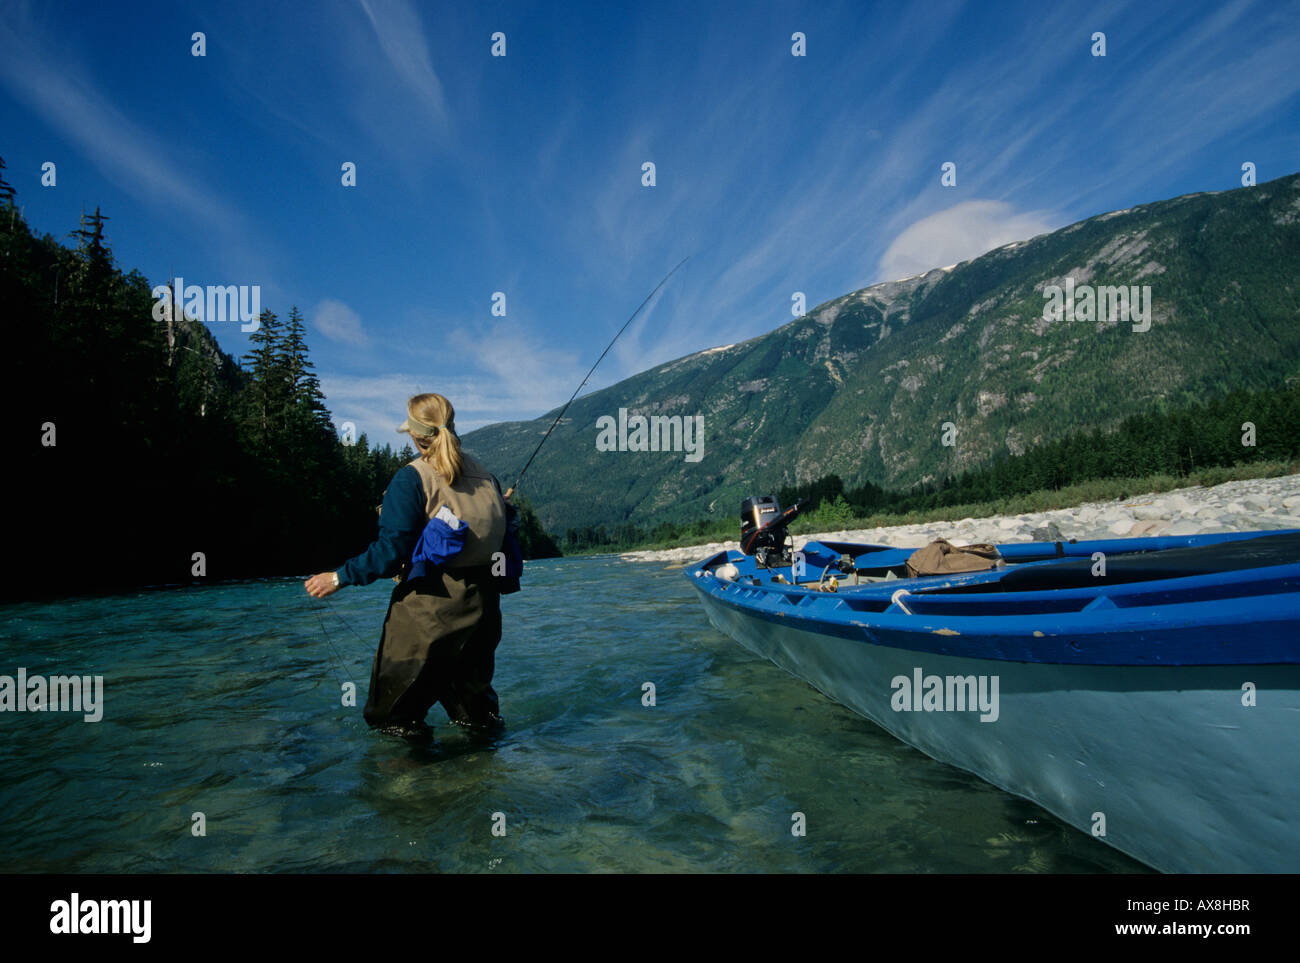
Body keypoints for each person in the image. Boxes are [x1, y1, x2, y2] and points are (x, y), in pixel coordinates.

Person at [304, 392, 509, 739]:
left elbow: (390, 551)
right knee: (477, 717)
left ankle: (409, 790)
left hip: (429, 613)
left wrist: (339, 577)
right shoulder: (488, 479)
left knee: (394, 720)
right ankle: (482, 781)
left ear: (414, 435)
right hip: (484, 612)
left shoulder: (412, 478)